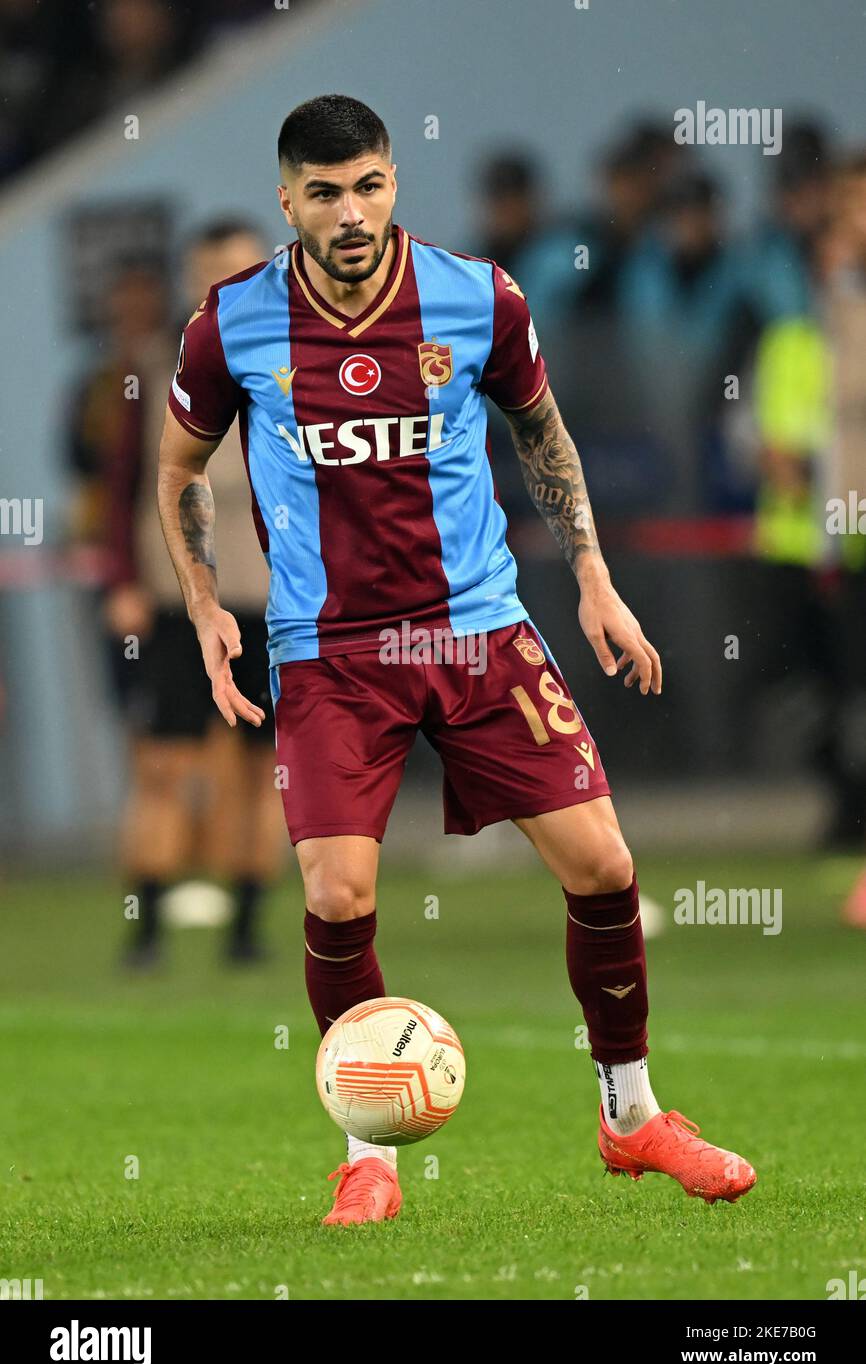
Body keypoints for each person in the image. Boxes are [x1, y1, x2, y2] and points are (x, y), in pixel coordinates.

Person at [157, 93, 756, 1224]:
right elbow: (177, 467)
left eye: (369, 185)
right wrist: (201, 601)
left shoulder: (477, 297)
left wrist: (590, 577)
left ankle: (629, 1117)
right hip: (331, 654)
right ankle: (366, 1155)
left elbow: (539, 428)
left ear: (393, 183)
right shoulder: (228, 322)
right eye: (325, 193)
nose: (350, 212)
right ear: (286, 199)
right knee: (337, 894)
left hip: (478, 632)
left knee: (604, 868)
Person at [106, 221, 284, 966]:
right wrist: (121, 578)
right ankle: (145, 932)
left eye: (235, 268)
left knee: (261, 771)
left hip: (274, 603)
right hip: (178, 601)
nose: (220, 282)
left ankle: (247, 932)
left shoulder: (300, 365)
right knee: (164, 765)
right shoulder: (150, 370)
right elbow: (120, 489)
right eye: (207, 269)